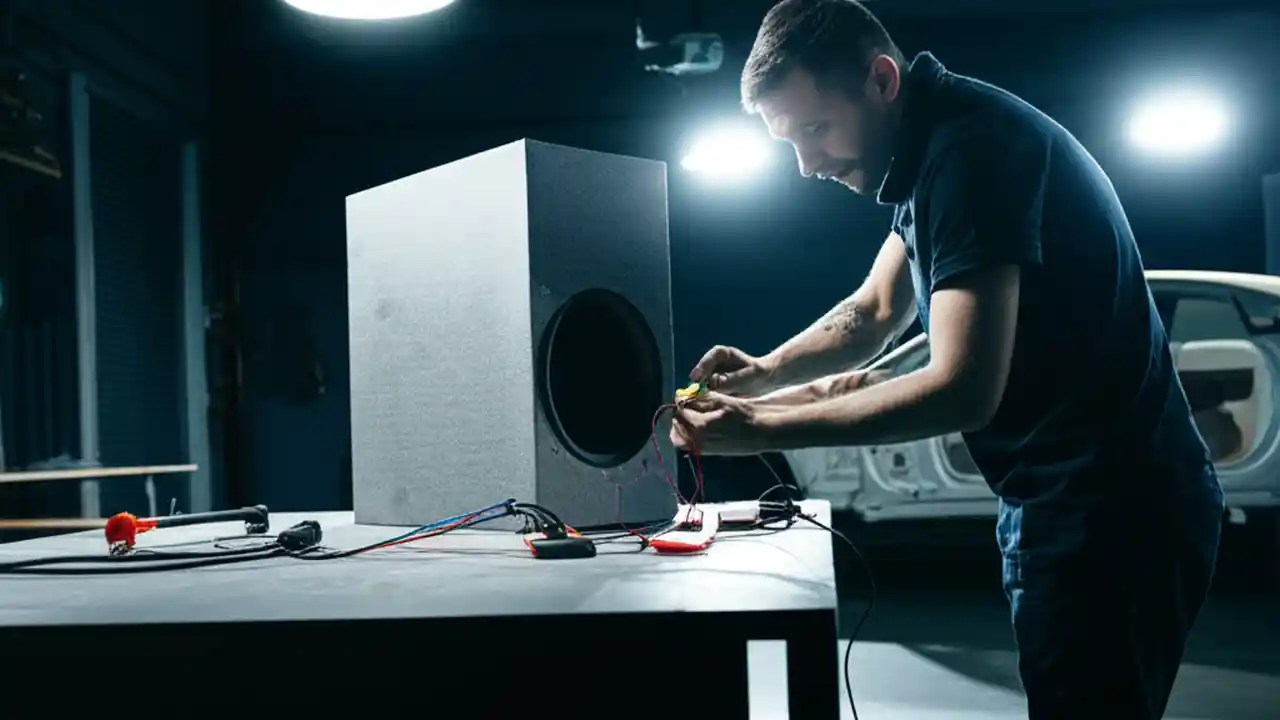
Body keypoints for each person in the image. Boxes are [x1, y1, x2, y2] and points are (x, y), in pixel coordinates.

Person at [670, 1, 1226, 717]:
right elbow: (871, 312)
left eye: (814, 129)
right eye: (790, 141)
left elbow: (963, 391)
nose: (806, 165)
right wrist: (765, 372)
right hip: (1079, 501)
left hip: (1110, 513)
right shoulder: (935, 147)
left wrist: (762, 428)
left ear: (880, 80)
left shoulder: (972, 154)